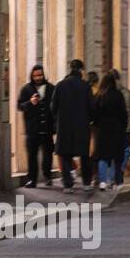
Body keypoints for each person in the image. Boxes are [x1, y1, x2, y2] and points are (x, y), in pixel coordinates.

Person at [51, 59, 94, 193]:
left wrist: (58, 119)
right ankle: (86, 183)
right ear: (81, 70)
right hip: (82, 126)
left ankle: (68, 185)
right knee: (84, 156)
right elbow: (92, 107)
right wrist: (90, 119)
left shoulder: (60, 85)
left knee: (65, 155)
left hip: (64, 126)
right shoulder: (85, 86)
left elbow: (53, 106)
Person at [16, 64, 56, 187]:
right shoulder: (26, 89)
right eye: (35, 75)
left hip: (47, 128)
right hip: (32, 129)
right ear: (32, 76)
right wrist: (30, 102)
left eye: (40, 75)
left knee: (47, 155)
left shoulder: (51, 88)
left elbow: (56, 107)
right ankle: (32, 179)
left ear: (43, 75)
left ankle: (47, 176)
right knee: (32, 156)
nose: (38, 77)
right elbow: (20, 106)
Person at [92, 72, 128, 191]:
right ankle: (117, 181)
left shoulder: (99, 95)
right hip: (117, 129)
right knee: (116, 157)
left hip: (103, 130)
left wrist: (97, 125)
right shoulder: (118, 95)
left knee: (102, 156)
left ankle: (102, 181)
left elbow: (95, 114)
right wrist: (123, 126)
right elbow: (123, 113)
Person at [111, 69, 130, 185]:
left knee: (112, 150)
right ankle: (120, 168)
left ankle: (113, 174)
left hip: (113, 126)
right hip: (126, 126)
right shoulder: (126, 91)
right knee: (125, 150)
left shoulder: (107, 91)